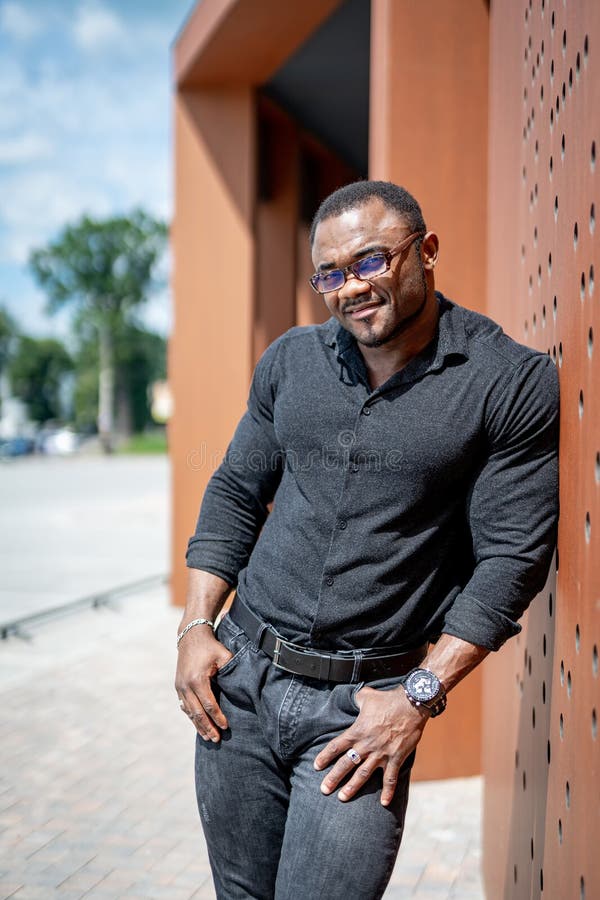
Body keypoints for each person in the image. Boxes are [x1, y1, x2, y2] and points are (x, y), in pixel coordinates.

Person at [175, 180, 559, 899]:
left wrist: (418, 697)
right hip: (242, 689)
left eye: (371, 261)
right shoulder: (291, 361)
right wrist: (196, 627)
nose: (351, 287)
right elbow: (233, 488)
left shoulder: (507, 380)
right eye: (331, 273)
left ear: (427, 251)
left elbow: (513, 558)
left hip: (361, 713)